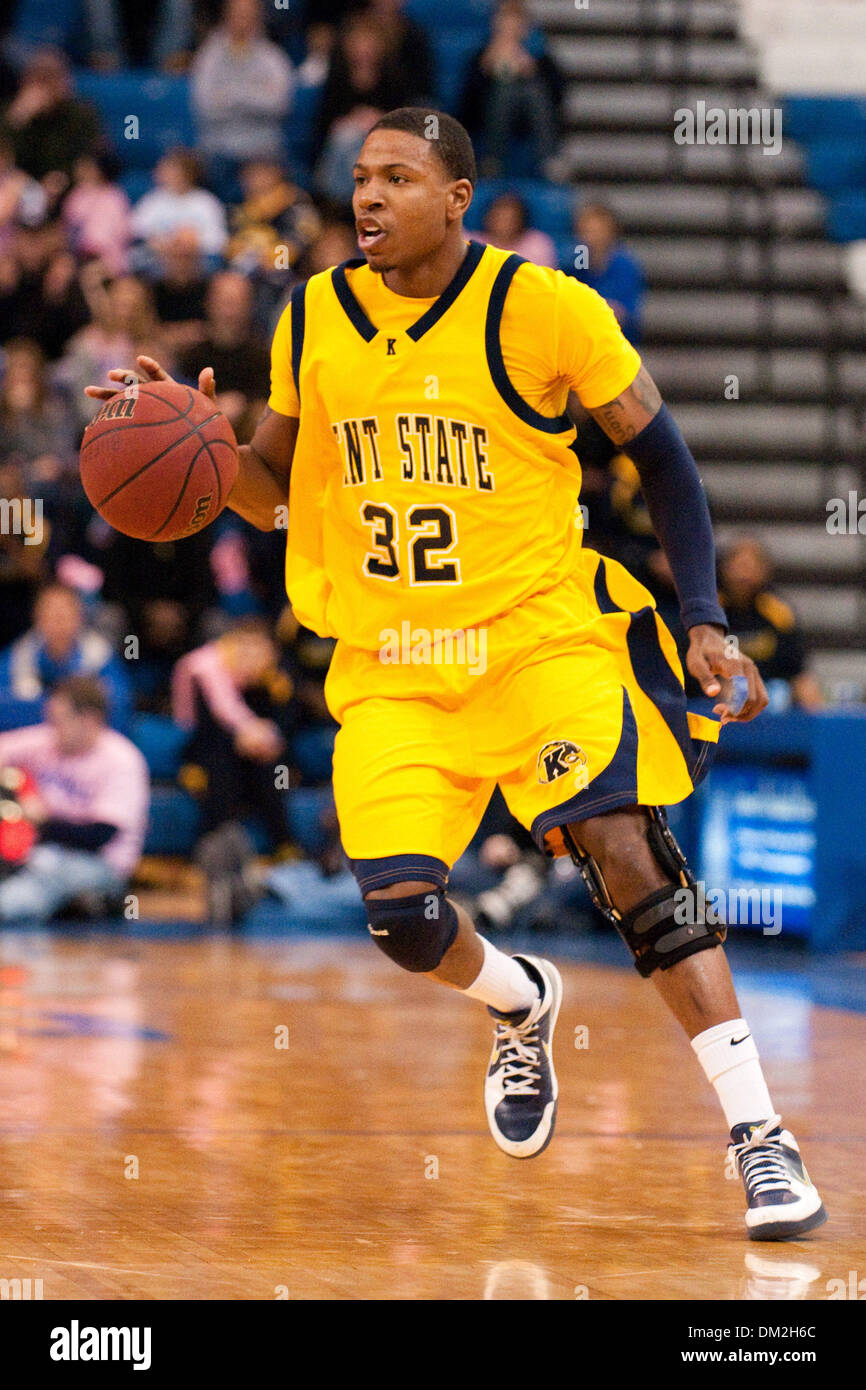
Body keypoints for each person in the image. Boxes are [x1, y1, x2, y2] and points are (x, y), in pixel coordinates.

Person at [86, 107, 825, 1241]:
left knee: (630, 853)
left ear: (457, 197)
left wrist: (703, 618)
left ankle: (757, 1137)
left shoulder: (546, 309)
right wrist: (180, 429)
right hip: (389, 660)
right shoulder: (316, 313)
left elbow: (663, 458)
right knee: (400, 920)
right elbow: (272, 492)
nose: (367, 197)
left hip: (538, 638)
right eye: (359, 178)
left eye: (396, 177)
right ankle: (521, 1001)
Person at [0, 675, 149, 923]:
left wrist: (42, 823)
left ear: (89, 720)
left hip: (99, 862)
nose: (52, 727)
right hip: (42, 852)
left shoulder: (122, 760)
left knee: (44, 873)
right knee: (39, 862)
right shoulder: (46, 741)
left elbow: (100, 835)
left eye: (59, 720)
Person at [191, 0, 295, 202]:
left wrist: (230, 95)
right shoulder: (208, 57)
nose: (243, 21)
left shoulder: (273, 58)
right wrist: (256, 93)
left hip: (263, 149)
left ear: (259, 19)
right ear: (226, 17)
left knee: (279, 173)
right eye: (238, 15)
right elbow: (206, 106)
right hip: (218, 149)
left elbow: (279, 105)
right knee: (209, 168)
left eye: (249, 15)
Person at [0, 582, 133, 732]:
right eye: (51, 614)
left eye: (64, 614)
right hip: (33, 745)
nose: (58, 622)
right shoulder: (17, 656)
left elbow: (119, 707)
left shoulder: (101, 656)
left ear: (79, 617)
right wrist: (69, 710)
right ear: (37, 617)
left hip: (90, 745)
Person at [718, 537, 824, 711]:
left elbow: (797, 671)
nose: (743, 575)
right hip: (715, 698)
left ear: (764, 571)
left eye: (750, 567)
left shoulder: (779, 613)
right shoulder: (711, 610)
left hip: (771, 697)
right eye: (738, 566)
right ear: (725, 569)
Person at [177, 270, 270, 441]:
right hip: (200, 429)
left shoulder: (262, 355)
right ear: (209, 304)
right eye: (224, 302)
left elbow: (270, 400)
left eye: (236, 302)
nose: (230, 312)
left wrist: (242, 403)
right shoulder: (192, 355)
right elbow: (181, 398)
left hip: (247, 437)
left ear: (249, 306)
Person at [572, 201, 645, 347]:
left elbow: (625, 312)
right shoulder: (579, 259)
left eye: (597, 230)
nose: (591, 236)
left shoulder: (624, 264)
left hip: (618, 342)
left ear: (610, 230)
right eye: (587, 230)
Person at [472, 191, 557, 268]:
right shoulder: (473, 243)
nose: (504, 224)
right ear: (488, 217)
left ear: (521, 219)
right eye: (499, 217)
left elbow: (543, 281)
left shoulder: (538, 245)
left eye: (510, 219)